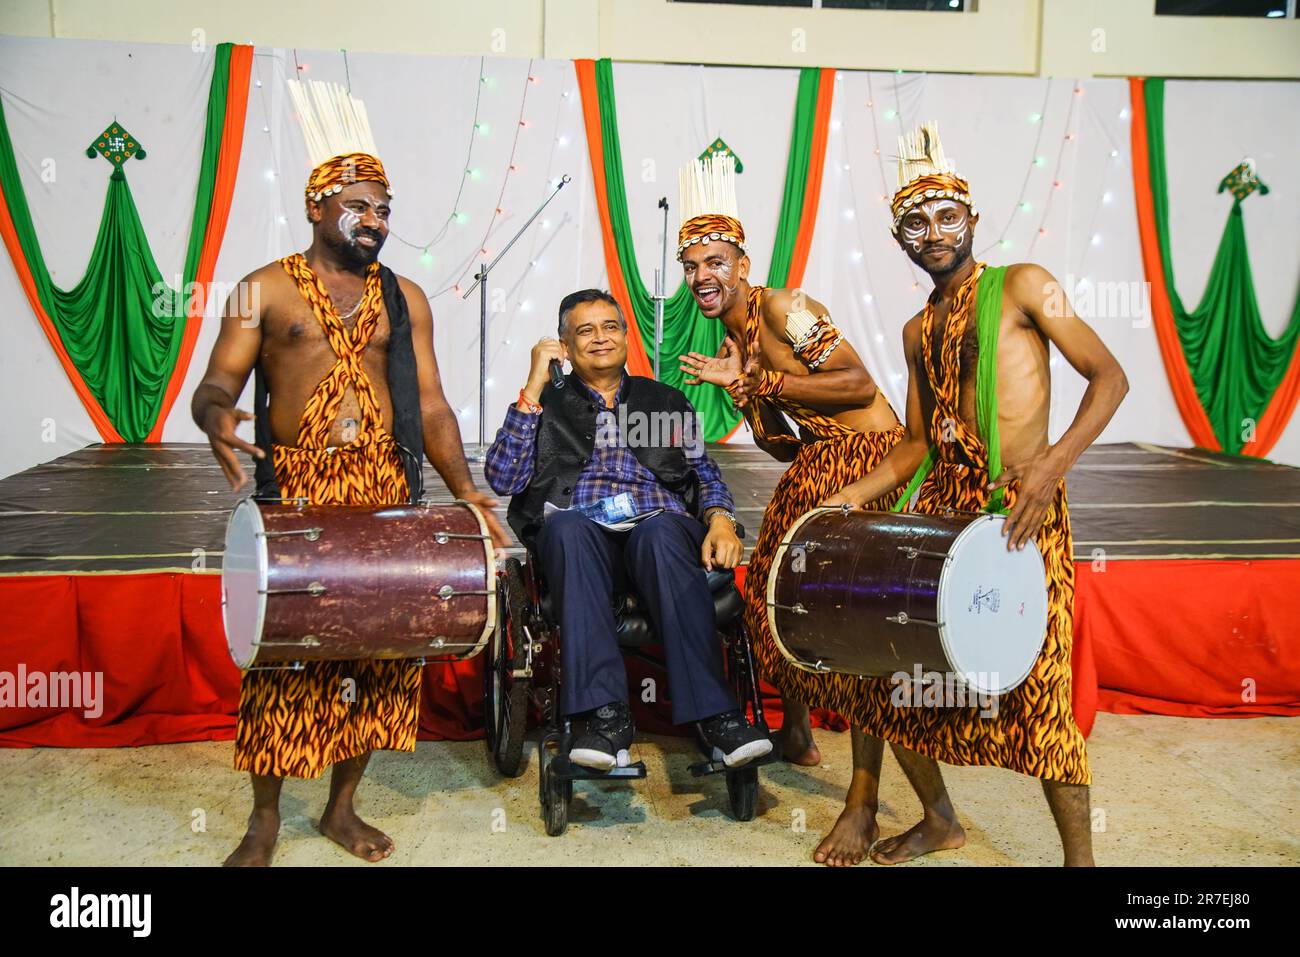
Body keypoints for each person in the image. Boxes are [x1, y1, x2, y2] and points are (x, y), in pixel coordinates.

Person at [192, 80, 507, 866]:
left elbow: (431, 406)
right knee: (286, 653)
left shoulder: (405, 297)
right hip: (299, 489)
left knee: (380, 653)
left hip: (384, 487)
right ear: (317, 207)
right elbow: (216, 386)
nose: (376, 221)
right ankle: (264, 819)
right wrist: (213, 417)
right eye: (360, 205)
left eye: (385, 208)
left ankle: (340, 806)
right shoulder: (261, 288)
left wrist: (465, 488)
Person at [825, 122, 1129, 865]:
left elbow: (1110, 376)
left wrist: (1052, 466)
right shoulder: (914, 329)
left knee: (1040, 692)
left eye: (946, 216)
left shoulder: (1025, 283)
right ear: (901, 239)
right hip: (944, 519)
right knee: (896, 669)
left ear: (972, 220)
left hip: (1021, 519)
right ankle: (939, 819)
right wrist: (844, 499)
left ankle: (1080, 863)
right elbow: (916, 445)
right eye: (915, 223)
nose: (933, 233)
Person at [676, 156, 904, 865]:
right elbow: (782, 443)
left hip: (868, 464)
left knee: (853, 628)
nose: (702, 275)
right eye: (691, 265)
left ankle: (862, 805)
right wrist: (747, 393)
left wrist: (762, 377)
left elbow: (856, 381)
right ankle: (798, 732)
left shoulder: (785, 307)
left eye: (715, 259)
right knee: (770, 602)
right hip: (815, 465)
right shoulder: (735, 340)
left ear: (743, 263)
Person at [484, 288, 772, 771]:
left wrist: (721, 518)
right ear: (563, 346)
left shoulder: (661, 402)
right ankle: (604, 718)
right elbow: (504, 478)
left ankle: (719, 718)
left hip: (657, 530)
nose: (600, 338)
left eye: (610, 327)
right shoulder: (546, 405)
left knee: (661, 532)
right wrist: (533, 388)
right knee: (569, 528)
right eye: (585, 331)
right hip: (579, 537)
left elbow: (703, 473)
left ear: (625, 334)